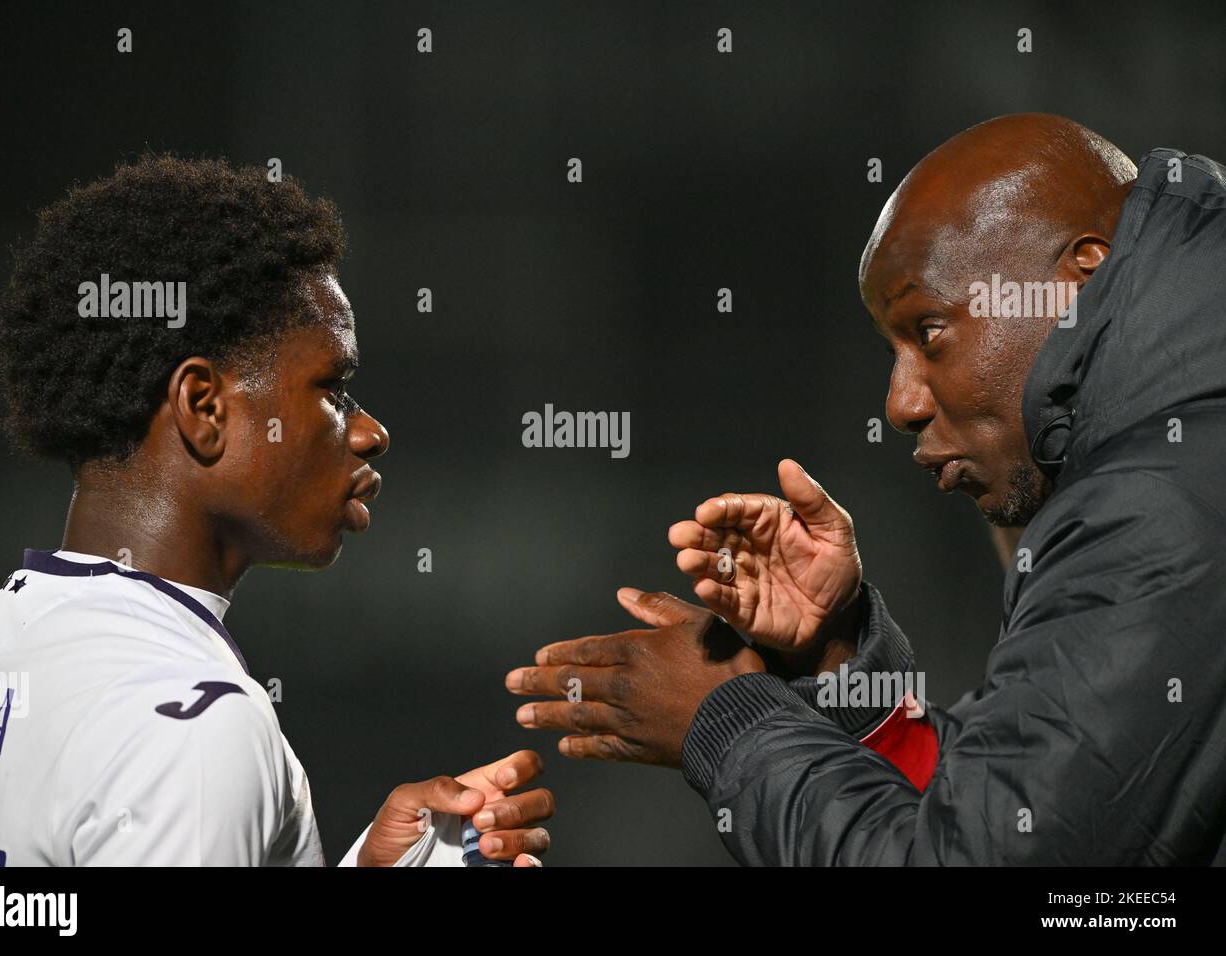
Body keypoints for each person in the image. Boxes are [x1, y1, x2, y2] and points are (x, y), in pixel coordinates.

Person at [508, 113, 1226, 864]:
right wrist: (838, 659)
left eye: (931, 330)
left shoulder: (1158, 506)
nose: (900, 404)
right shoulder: (1180, 460)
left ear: (1081, 276)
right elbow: (1003, 809)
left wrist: (725, 722)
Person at [0, 155, 553, 867]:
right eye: (333, 388)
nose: (370, 431)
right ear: (204, 408)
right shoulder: (194, 729)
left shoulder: (7, 639)